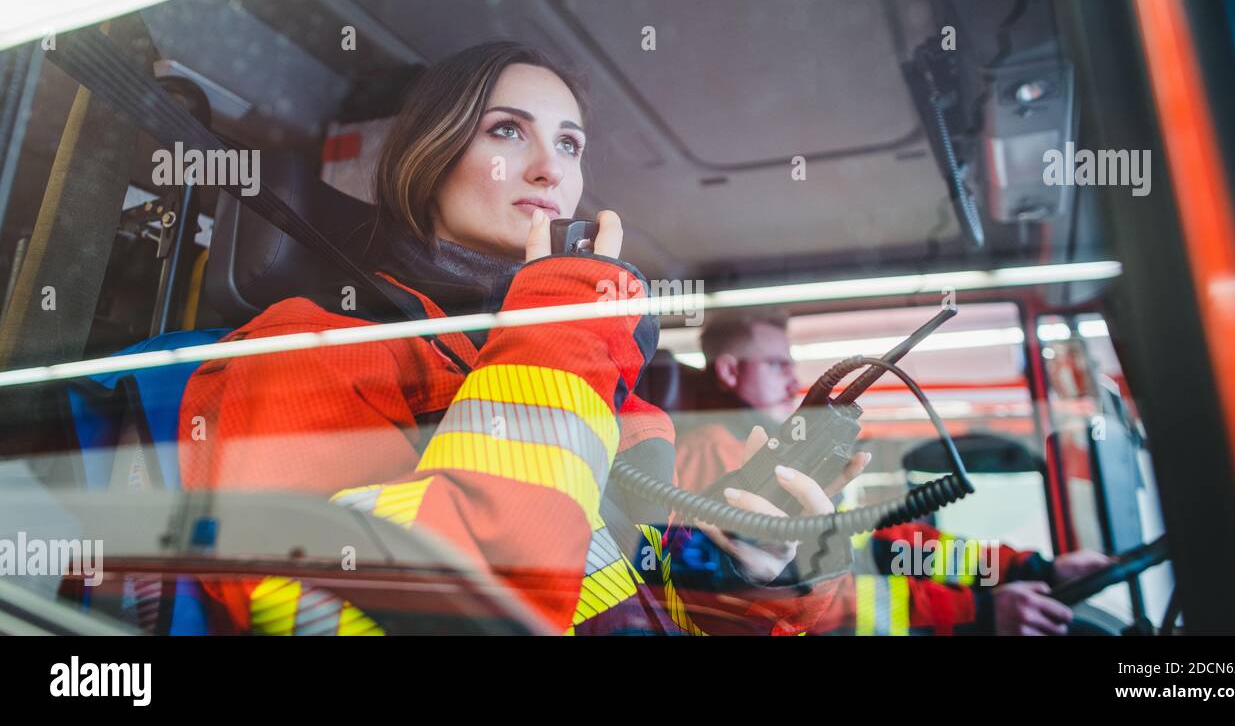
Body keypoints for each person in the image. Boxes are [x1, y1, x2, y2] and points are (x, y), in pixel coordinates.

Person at [179, 42, 855, 635]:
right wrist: (555, 330)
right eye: (507, 131)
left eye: (569, 144)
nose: (550, 170)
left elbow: (636, 602)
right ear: (430, 157)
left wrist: (758, 574)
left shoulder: (599, 383)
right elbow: (362, 612)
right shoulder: (304, 349)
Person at [674, 311, 1114, 635]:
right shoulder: (715, 454)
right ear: (730, 370)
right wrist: (975, 613)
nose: (794, 381)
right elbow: (791, 592)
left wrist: (1028, 568)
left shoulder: (784, 451)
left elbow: (875, 544)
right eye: (776, 365)